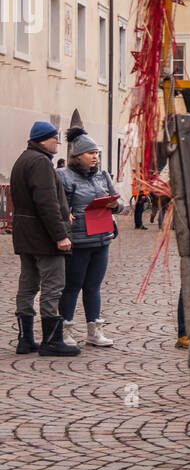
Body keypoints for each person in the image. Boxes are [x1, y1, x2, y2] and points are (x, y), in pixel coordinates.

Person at [10, 121, 79, 357]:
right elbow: (45, 202)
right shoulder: (40, 162)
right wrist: (60, 235)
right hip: (43, 237)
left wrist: (63, 212)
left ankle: (25, 340)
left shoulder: (24, 159)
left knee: (27, 286)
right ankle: (51, 341)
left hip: (26, 235)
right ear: (43, 140)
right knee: (53, 286)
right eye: (54, 138)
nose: (57, 143)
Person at [58, 126, 126, 347]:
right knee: (72, 285)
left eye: (97, 153)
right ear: (77, 156)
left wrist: (116, 204)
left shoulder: (102, 176)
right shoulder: (64, 177)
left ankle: (94, 331)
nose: (95, 157)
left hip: (102, 238)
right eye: (91, 153)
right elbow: (59, 207)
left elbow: (119, 205)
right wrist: (66, 214)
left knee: (93, 286)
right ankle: (64, 330)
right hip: (78, 241)